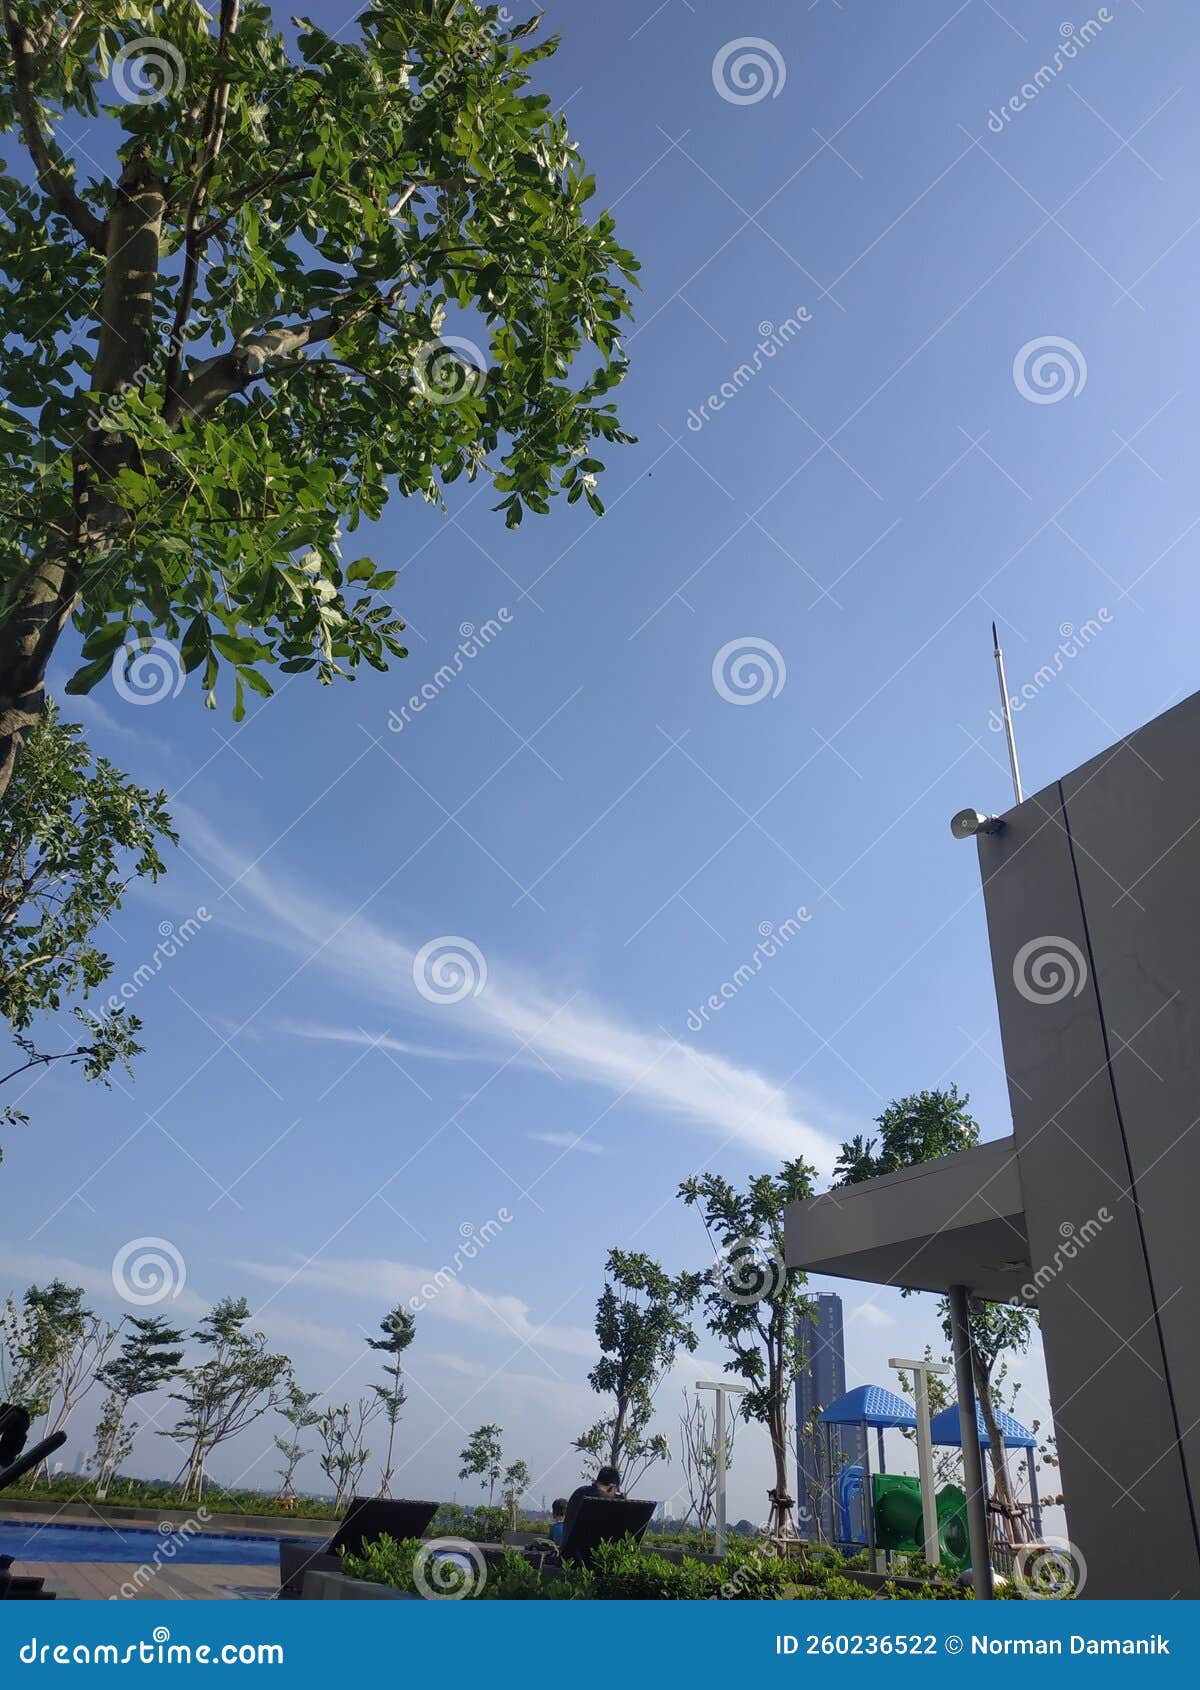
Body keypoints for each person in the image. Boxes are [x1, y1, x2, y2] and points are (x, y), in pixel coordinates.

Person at [560, 1465, 624, 1550]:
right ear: (612, 1487)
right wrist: (621, 1500)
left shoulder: (579, 1492)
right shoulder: (605, 1501)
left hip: (568, 1552)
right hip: (590, 1555)